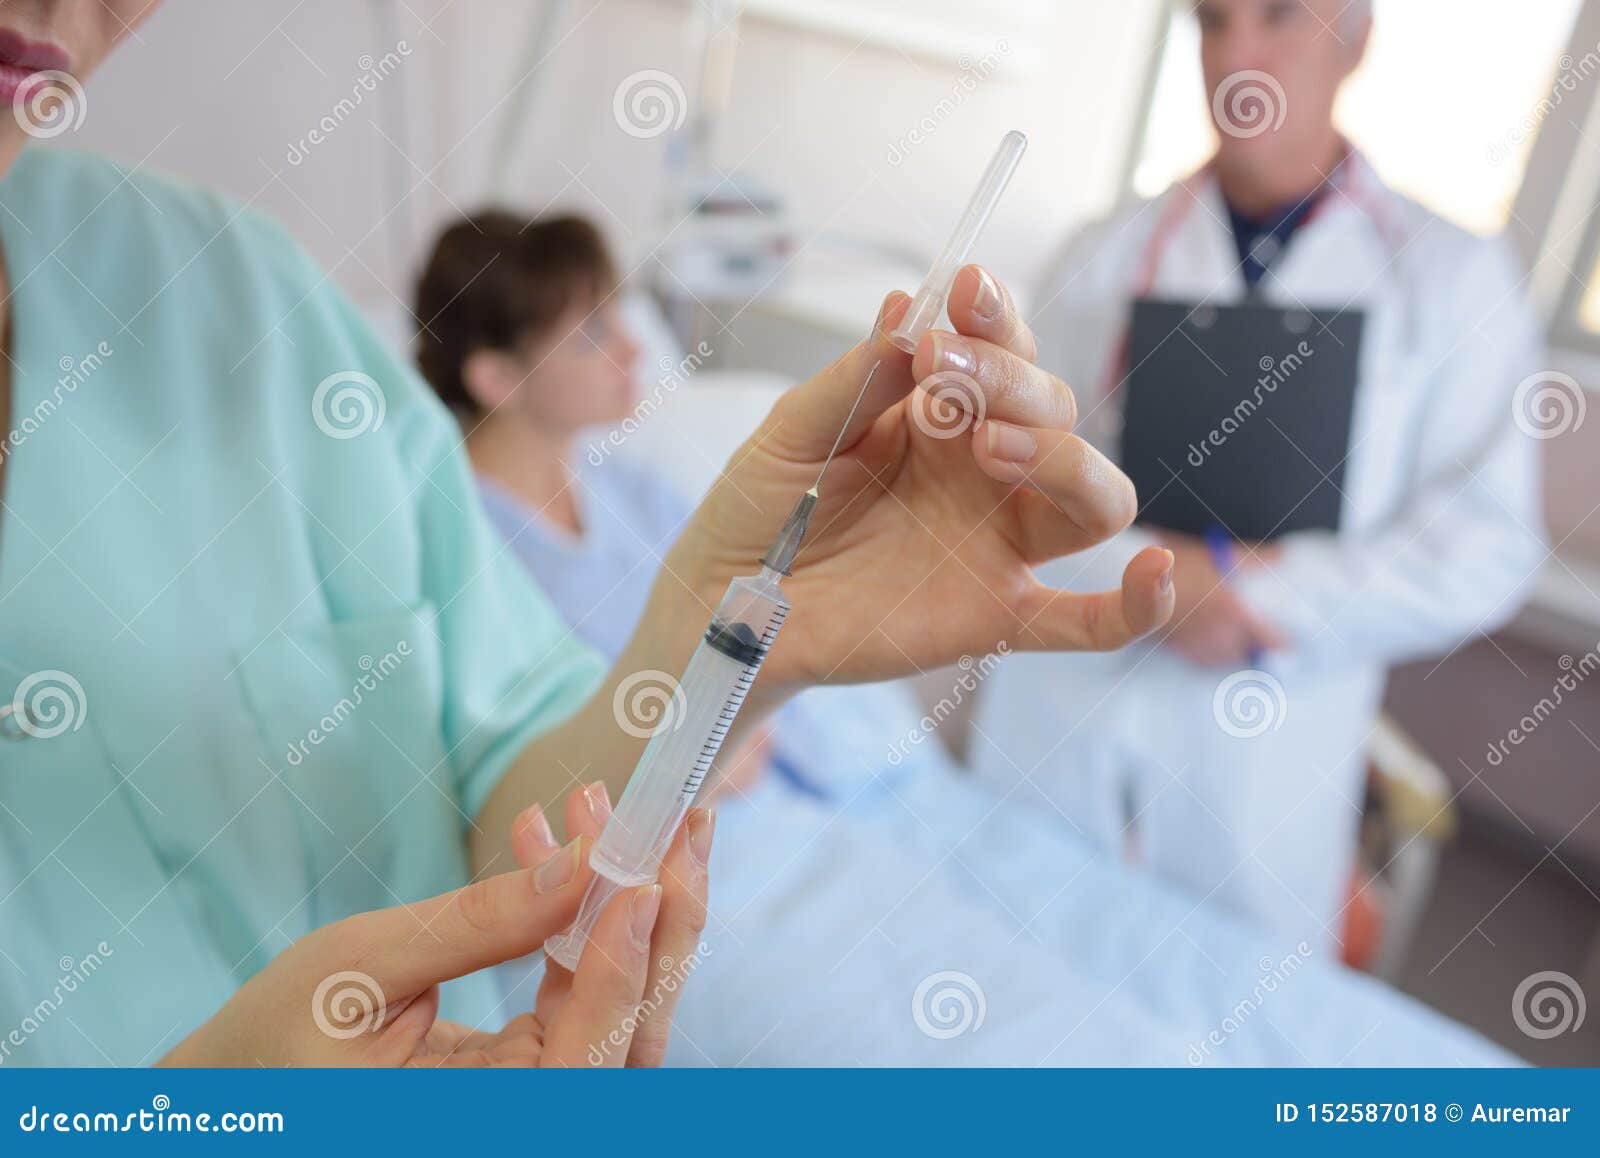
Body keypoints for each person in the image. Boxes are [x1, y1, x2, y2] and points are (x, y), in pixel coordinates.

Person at [0, 0, 1172, 1065]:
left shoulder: (233, 300)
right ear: (498, 374)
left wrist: (720, 638)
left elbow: (501, 797)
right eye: (584, 335)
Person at [405, 208, 1516, 1066]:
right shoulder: (462, 558)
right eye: (587, 331)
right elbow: (516, 764)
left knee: (1213, 999)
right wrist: (691, 738)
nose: (628, 349)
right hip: (724, 858)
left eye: (619, 317)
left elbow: (761, 624)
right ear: (496, 377)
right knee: (1115, 1060)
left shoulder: (645, 494)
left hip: (858, 791)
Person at [975, 0, 1545, 951]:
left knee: (1224, 1036)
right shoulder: (1101, 256)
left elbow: (1487, 546)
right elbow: (1016, 483)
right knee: (1015, 986)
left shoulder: (1450, 279)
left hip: (1266, 747)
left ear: (1356, 37)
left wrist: (1255, 595)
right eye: (1210, 19)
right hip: (1067, 715)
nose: (1236, 53)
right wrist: (1158, 577)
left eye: (1278, 15)